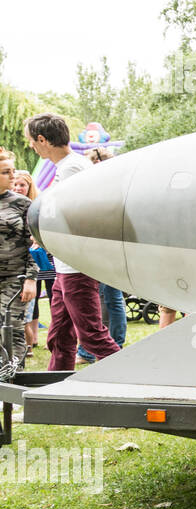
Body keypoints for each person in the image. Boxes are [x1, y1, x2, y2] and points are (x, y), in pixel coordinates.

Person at [23, 114, 121, 370]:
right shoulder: (68, 166)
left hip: (77, 267)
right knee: (60, 334)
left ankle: (132, 380)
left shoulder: (71, 168)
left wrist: (40, 230)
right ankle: (56, 384)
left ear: (42, 140)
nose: (31, 146)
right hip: (66, 266)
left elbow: (71, 215)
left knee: (91, 334)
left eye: (32, 141)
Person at [76, 146, 127, 361]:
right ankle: (107, 346)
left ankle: (101, 348)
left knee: (107, 298)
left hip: (106, 251)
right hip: (105, 250)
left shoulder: (110, 191)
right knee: (107, 298)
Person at [0, 156, 38, 370]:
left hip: (15, 278)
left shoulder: (22, 204)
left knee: (12, 327)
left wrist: (31, 279)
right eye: (6, 172)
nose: (13, 176)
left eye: (12, 170)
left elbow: (34, 245)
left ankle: (14, 380)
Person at [11, 170, 51, 349]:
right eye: (16, 184)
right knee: (30, 301)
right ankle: (33, 337)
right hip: (22, 260)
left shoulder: (35, 206)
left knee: (51, 295)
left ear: (29, 187)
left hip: (42, 257)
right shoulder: (9, 205)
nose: (18, 188)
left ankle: (48, 334)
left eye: (22, 185)